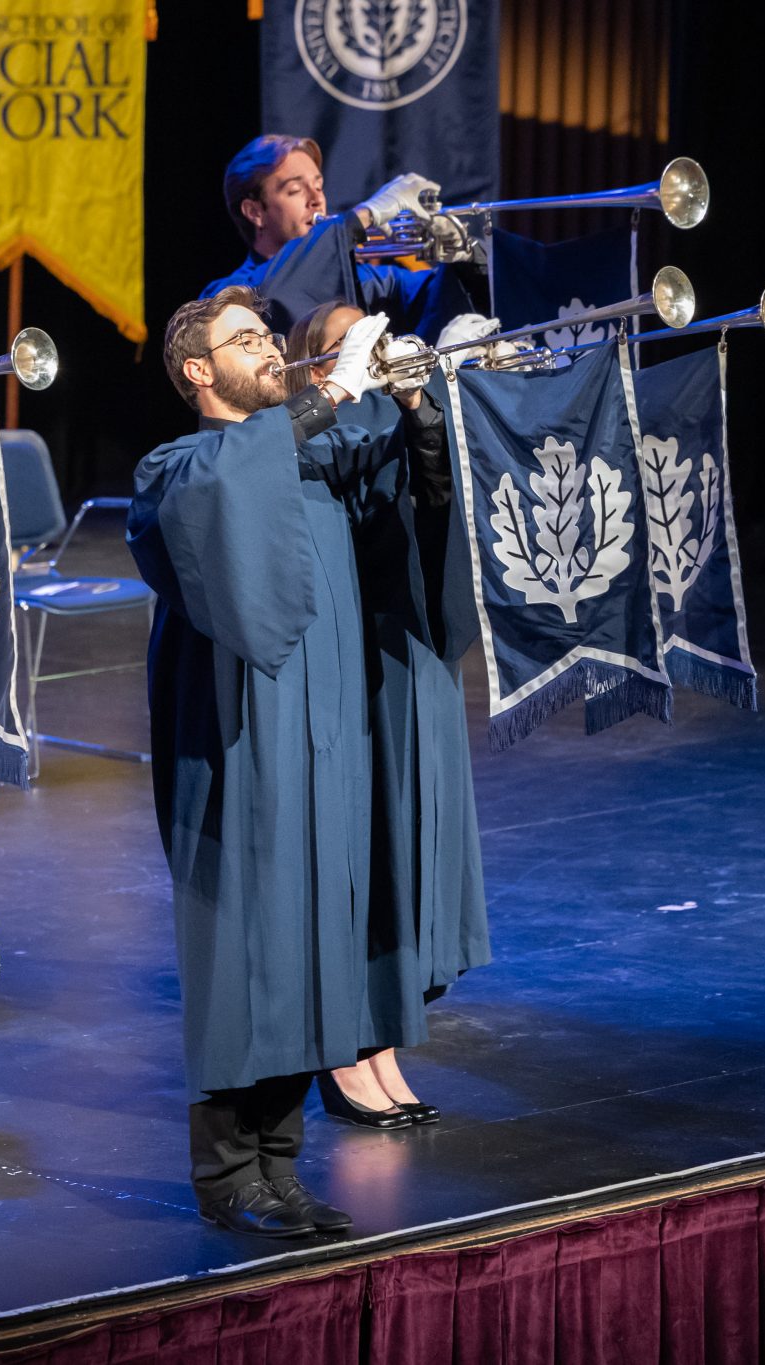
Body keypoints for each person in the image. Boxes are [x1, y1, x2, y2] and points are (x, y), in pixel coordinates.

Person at [127, 287, 446, 1238]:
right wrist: (328, 398)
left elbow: (418, 493)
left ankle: (278, 1161)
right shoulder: (174, 464)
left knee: (312, 934)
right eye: (243, 340)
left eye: (271, 334)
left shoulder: (312, 456)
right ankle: (228, 1173)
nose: (269, 348)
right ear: (197, 371)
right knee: (246, 944)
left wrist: (416, 402)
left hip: (325, 736)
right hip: (236, 744)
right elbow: (225, 487)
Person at [281, 303, 492, 1131]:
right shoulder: (298, 432)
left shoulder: (392, 424)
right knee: (352, 860)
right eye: (348, 344)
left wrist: (422, 406)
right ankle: (341, 1048)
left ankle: (384, 1041)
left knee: (398, 861)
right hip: (340, 670)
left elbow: (439, 499)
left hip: (404, 664)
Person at [202, 133, 478, 339]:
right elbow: (278, 293)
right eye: (296, 190)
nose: (316, 200)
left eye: (319, 186)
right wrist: (362, 217)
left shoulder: (366, 278)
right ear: (254, 211)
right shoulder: (226, 295)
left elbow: (432, 298)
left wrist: (462, 260)